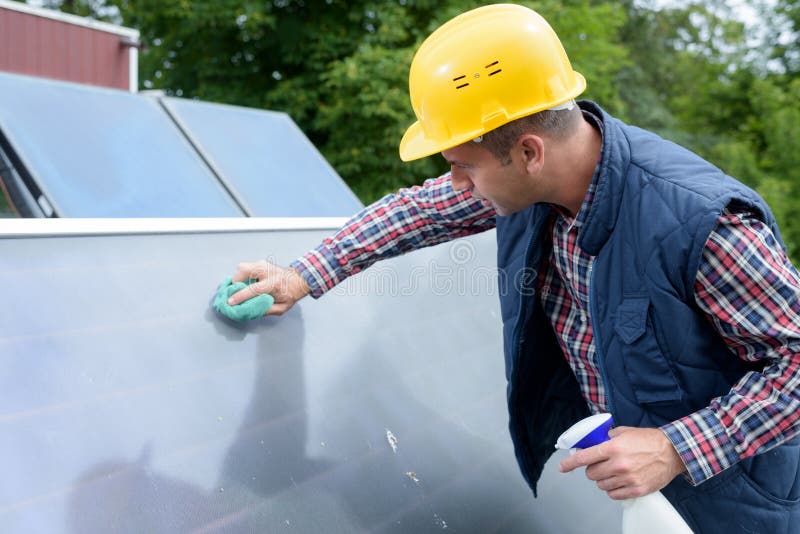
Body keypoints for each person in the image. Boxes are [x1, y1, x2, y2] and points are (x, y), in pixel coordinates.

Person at [224, 4, 800, 532]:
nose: (455, 184)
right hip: (641, 502)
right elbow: (416, 211)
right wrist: (304, 273)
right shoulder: (531, 185)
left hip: (735, 505)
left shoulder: (702, 225)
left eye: (460, 165)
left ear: (528, 151)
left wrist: (677, 447)